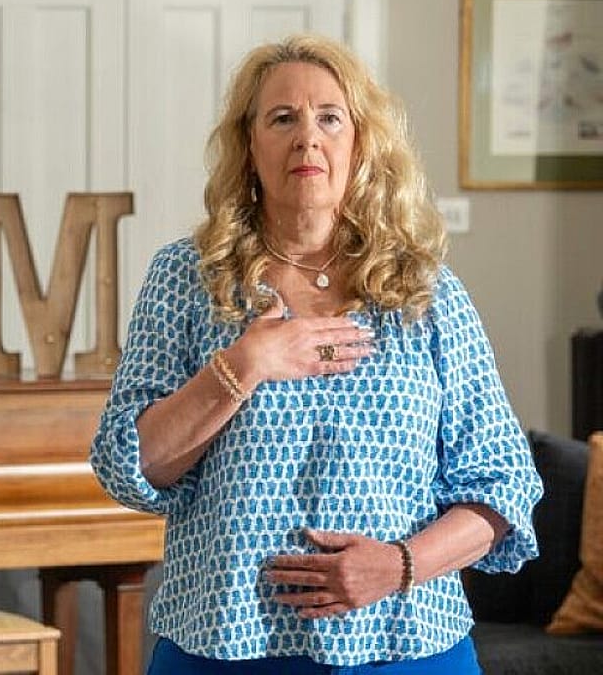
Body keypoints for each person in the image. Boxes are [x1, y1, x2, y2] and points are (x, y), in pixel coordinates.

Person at [90, 34, 543, 673]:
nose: (308, 137)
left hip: (405, 644)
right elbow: (129, 464)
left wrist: (398, 566)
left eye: (330, 117)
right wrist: (245, 365)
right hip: (223, 644)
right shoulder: (187, 278)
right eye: (283, 119)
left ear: (359, 143)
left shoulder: (426, 291)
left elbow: (503, 486)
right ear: (250, 146)